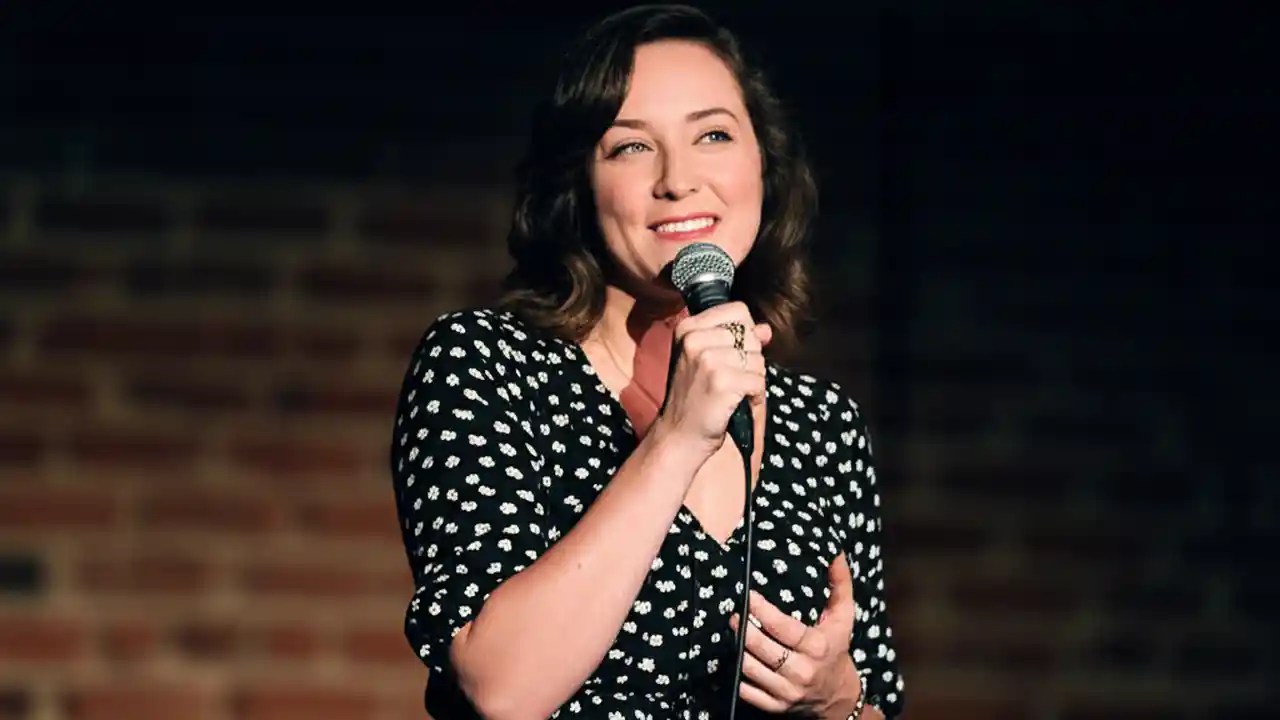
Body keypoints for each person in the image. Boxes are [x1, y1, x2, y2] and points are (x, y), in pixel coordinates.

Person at [388, 5, 906, 718]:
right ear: (579, 185)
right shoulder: (487, 369)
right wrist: (677, 438)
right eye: (631, 147)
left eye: (714, 135)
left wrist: (838, 698)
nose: (678, 180)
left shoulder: (825, 427)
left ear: (764, 163)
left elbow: (875, 699)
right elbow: (501, 692)